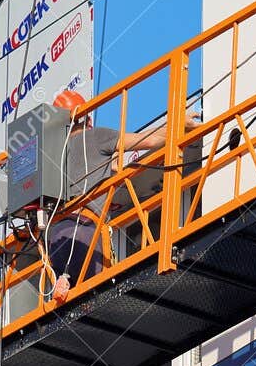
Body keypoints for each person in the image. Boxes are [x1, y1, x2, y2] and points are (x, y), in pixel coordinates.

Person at [46, 89, 168, 303]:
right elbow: (148, 141)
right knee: (100, 301)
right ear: (86, 116)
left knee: (70, 306)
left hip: (55, 239)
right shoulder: (96, 136)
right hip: (86, 233)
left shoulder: (52, 155)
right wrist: (177, 124)